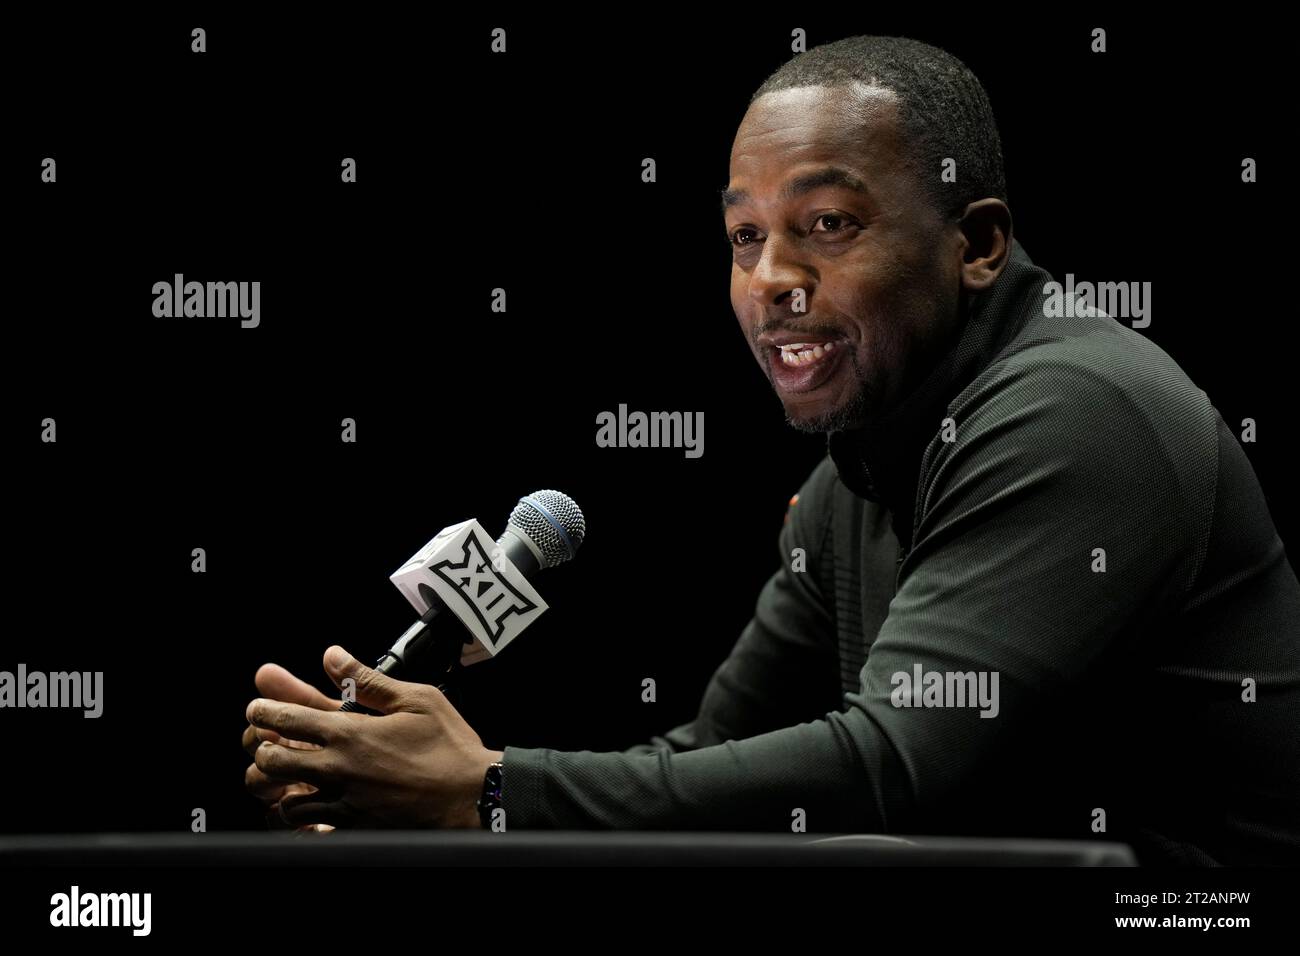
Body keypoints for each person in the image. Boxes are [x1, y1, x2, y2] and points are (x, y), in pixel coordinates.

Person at [243, 35, 1300, 864]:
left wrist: (489, 791)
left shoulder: (1076, 410)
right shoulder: (858, 469)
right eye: (745, 236)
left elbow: (894, 762)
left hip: (1191, 910)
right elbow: (703, 766)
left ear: (975, 244)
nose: (771, 280)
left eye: (829, 223)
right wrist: (407, 794)